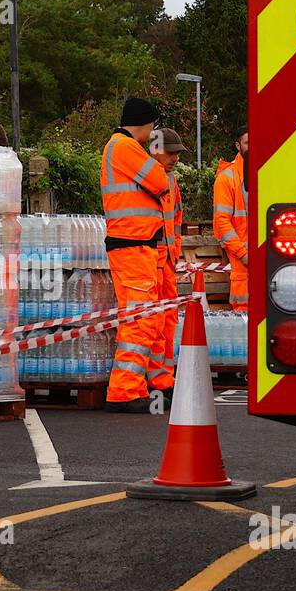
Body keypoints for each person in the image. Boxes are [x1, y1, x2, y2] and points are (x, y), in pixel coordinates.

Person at [102, 98, 171, 413]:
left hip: (137, 245)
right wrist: (155, 159)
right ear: (146, 123)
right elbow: (160, 181)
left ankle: (137, 386)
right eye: (153, 126)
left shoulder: (120, 147)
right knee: (139, 320)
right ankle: (125, 391)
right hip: (131, 245)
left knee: (145, 318)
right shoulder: (125, 147)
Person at [148, 128, 188, 396]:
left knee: (168, 321)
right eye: (169, 152)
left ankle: (163, 379)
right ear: (155, 150)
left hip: (167, 261)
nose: (174, 157)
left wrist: (175, 253)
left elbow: (176, 219)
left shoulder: (170, 181)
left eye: (177, 153)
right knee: (154, 323)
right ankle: (157, 381)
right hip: (151, 260)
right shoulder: (148, 178)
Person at [212, 132, 249, 311]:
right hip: (243, 261)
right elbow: (221, 223)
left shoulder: (269, 171)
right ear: (237, 145)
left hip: (266, 256)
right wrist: (243, 254)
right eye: (247, 142)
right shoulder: (227, 178)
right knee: (244, 310)